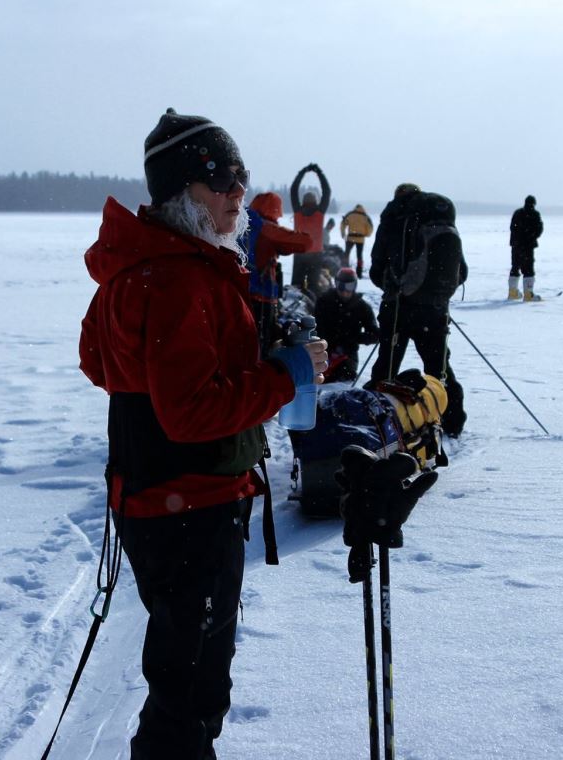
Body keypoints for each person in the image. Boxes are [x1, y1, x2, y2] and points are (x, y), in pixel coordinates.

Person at [79, 108, 328, 759]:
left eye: (242, 181)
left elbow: (95, 361)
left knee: (184, 689)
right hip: (190, 511)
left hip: (152, 501)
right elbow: (189, 413)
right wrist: (285, 375)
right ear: (182, 191)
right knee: (189, 700)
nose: (237, 196)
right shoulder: (181, 278)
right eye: (223, 181)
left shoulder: (138, 269)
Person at [367, 183, 467, 437]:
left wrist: (394, 286)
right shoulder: (439, 220)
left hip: (398, 306)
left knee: (387, 366)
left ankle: (377, 420)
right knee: (438, 365)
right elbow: (461, 271)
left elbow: (377, 266)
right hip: (435, 309)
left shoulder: (395, 218)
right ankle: (451, 419)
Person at [242, 191, 312, 355]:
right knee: (260, 345)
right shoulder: (267, 229)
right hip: (261, 297)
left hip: (240, 292)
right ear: (274, 211)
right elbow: (305, 243)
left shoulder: (241, 223)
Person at [314, 267, 379, 382]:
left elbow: (374, 334)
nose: (344, 291)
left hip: (348, 354)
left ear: (354, 286)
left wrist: (354, 338)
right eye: (341, 286)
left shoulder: (362, 307)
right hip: (324, 350)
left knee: (345, 376)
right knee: (316, 376)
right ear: (336, 284)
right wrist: (326, 345)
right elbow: (316, 327)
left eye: (349, 287)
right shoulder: (324, 301)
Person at [289, 163, 331, 295]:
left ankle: (296, 311)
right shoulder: (319, 213)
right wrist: (319, 173)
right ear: (316, 201)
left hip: (300, 253)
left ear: (303, 201)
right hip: (316, 254)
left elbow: (293, 190)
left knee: (296, 287)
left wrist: (302, 173)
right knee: (314, 287)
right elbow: (327, 192)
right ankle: (314, 310)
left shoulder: (298, 212)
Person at [508, 194, 544, 301]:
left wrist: (517, 239)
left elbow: (512, 228)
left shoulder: (517, 213)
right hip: (527, 247)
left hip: (516, 246)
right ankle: (528, 295)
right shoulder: (535, 214)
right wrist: (530, 238)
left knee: (515, 268)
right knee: (528, 270)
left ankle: (513, 293)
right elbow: (539, 229)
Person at [339, 204, 375, 279]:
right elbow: (370, 227)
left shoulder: (350, 214)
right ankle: (359, 273)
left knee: (347, 254)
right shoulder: (365, 216)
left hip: (350, 238)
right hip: (360, 239)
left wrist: (343, 233)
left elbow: (343, 223)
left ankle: (344, 270)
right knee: (359, 256)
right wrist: (366, 234)